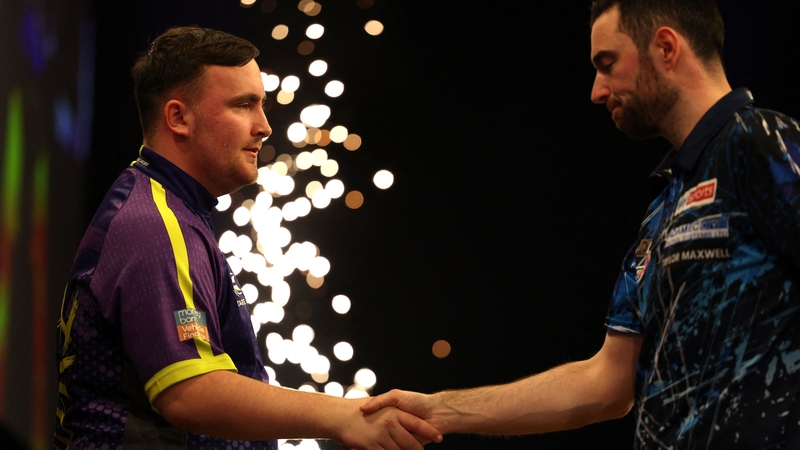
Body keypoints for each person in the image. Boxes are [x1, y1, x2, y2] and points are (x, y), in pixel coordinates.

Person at [361, 0, 800, 448]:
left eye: (607, 64)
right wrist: (439, 409)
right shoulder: (666, 203)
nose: (596, 90)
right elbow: (607, 381)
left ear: (666, 48)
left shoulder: (762, 141)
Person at [53, 26, 442, 450]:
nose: (265, 127)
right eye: (244, 105)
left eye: (262, 105)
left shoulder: (166, 210)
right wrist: (343, 415)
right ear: (178, 118)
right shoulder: (156, 225)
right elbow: (191, 393)